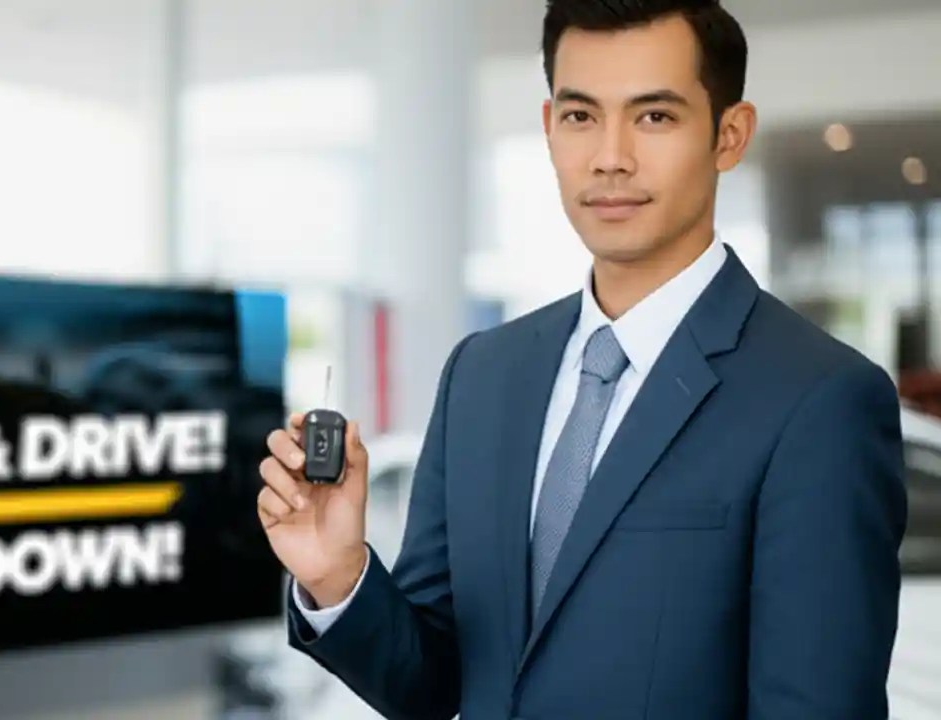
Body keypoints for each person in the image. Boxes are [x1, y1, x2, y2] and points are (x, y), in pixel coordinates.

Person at [255, 0, 909, 718]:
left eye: (654, 116)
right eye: (580, 116)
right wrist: (339, 575)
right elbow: (433, 685)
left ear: (730, 134)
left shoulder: (820, 398)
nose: (610, 157)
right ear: (548, 128)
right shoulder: (482, 374)